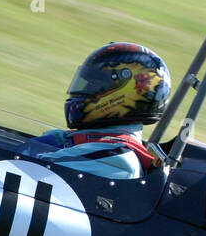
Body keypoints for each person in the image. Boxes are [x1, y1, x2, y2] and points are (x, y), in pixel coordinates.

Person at [20, 42, 171, 179]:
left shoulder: (116, 158)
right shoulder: (88, 139)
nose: (84, 90)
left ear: (126, 92)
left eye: (95, 84)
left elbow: (26, 167)